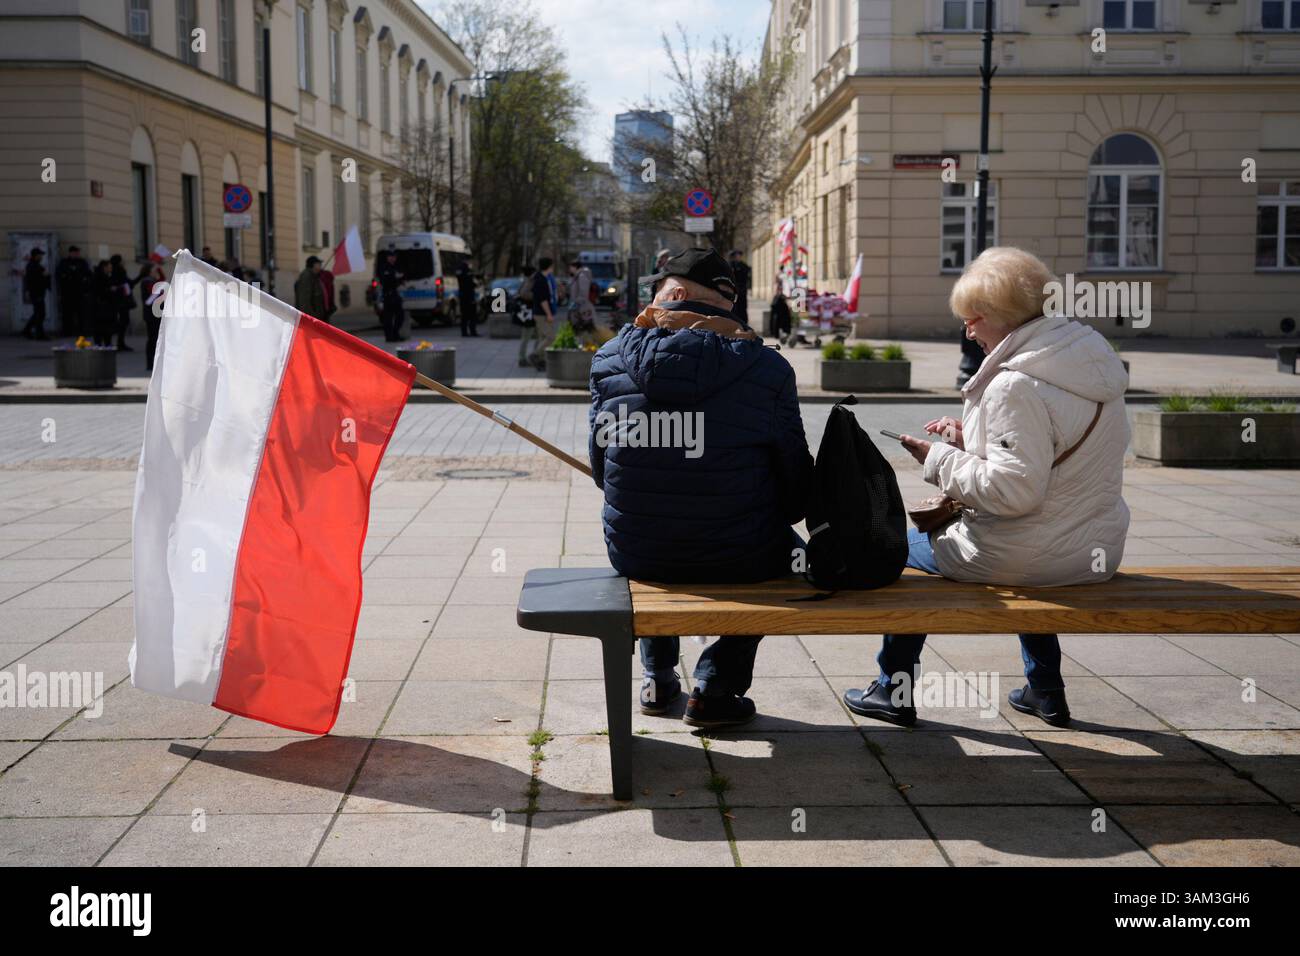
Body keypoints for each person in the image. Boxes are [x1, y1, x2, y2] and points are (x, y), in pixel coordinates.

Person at [843, 247, 1131, 729]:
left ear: (1000, 316)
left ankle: (892, 689)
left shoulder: (1013, 384)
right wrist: (970, 438)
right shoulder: (1086, 364)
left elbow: (1015, 492)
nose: (967, 330)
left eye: (972, 319)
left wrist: (937, 457)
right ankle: (1045, 691)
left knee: (904, 545)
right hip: (1094, 548)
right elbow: (1052, 459)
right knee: (1032, 545)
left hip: (1029, 553)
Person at [589, 247, 815, 728]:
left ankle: (657, 676)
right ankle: (715, 687)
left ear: (673, 293)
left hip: (637, 551)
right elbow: (795, 484)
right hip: (742, 553)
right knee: (788, 556)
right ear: (728, 301)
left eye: (657, 287)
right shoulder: (770, 370)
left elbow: (600, 469)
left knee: (651, 527)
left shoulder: (609, 358)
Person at [55, 246, 92, 337]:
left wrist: (84, 283)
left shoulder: (82, 262)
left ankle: (82, 331)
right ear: (70, 253)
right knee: (67, 313)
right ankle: (67, 331)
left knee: (81, 313)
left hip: (79, 291)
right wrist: (68, 276)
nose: (77, 254)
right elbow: (59, 275)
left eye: (78, 252)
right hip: (67, 292)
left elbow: (88, 274)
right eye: (75, 252)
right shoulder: (64, 262)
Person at [528, 257, 557, 370]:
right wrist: (549, 314)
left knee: (542, 337)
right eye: (552, 265)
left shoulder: (542, 278)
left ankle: (541, 361)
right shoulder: (541, 279)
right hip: (541, 314)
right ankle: (535, 355)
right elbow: (543, 300)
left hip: (540, 312)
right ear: (549, 266)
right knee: (551, 337)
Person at [136, 261, 166, 371]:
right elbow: (152, 293)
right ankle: (150, 364)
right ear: (149, 271)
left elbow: (162, 278)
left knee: (156, 338)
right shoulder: (146, 281)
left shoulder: (153, 280)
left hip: (156, 313)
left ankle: (155, 363)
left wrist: (158, 268)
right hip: (151, 314)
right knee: (152, 339)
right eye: (154, 270)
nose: (156, 272)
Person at [21, 247, 51, 340]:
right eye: (40, 255)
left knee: (38, 313)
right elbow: (34, 280)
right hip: (36, 292)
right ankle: (39, 334)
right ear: (35, 256)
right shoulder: (32, 266)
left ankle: (27, 330)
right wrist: (44, 275)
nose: (41, 257)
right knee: (40, 314)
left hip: (38, 292)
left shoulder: (35, 265)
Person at [376, 249, 405, 342]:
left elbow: (399, 279)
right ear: (388, 258)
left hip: (395, 294)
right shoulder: (384, 267)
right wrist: (394, 277)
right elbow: (384, 281)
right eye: (391, 257)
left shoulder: (396, 267)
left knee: (400, 316)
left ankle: (395, 334)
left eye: (394, 257)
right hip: (388, 295)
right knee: (388, 318)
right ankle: (389, 337)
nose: (393, 258)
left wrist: (400, 280)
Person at [108, 254, 135, 350]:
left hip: (120, 301)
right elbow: (128, 284)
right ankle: (119, 343)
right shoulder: (119, 272)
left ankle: (119, 342)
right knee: (122, 322)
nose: (123, 262)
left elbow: (129, 284)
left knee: (122, 321)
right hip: (121, 301)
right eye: (122, 261)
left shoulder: (116, 272)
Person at [516, 264, 538, 368]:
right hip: (529, 313)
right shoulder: (530, 281)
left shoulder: (526, 280)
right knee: (526, 336)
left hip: (528, 313)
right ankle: (523, 358)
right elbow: (523, 293)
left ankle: (527, 357)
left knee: (529, 336)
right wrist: (537, 296)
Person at [90, 259, 117, 347]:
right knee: (101, 328)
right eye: (109, 267)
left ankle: (106, 343)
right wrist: (110, 290)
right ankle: (102, 344)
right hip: (101, 307)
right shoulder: (98, 277)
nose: (111, 269)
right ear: (104, 267)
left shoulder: (107, 276)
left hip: (105, 307)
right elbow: (99, 291)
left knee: (106, 328)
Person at [567, 258, 596, 333]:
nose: (569, 269)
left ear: (575, 267)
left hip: (582, 309)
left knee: (584, 329)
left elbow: (583, 293)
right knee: (578, 329)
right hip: (577, 308)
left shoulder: (581, 276)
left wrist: (575, 304)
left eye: (570, 267)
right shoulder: (576, 276)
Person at [294, 256, 326, 320]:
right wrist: (309, 318)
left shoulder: (314, 276)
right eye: (319, 264)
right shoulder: (307, 276)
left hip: (316, 316)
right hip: (311, 317)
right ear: (313, 265)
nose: (320, 266)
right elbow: (304, 300)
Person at [728, 249, 752, 323]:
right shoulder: (730, 265)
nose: (738, 257)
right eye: (737, 255)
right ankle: (735, 321)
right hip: (734, 289)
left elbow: (747, 275)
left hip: (742, 289)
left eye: (739, 255)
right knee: (735, 306)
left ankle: (743, 322)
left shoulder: (743, 265)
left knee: (743, 306)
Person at [456, 258, 478, 337]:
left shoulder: (459, 270)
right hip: (469, 296)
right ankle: (472, 331)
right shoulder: (468, 272)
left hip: (463, 297)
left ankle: (464, 332)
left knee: (464, 316)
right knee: (472, 315)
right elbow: (472, 283)